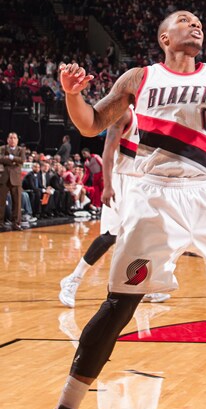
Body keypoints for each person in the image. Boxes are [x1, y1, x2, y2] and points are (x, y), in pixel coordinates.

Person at [29, 11, 206, 409]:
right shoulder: (141, 76)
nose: (196, 26)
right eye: (184, 21)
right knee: (118, 307)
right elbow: (93, 124)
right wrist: (74, 95)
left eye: (199, 23)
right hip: (155, 199)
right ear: (163, 36)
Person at [58, 109, 169, 307]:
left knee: (146, 236)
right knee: (110, 236)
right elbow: (108, 151)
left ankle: (144, 286)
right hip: (120, 180)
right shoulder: (125, 114)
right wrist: (108, 185)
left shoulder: (154, 116)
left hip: (141, 182)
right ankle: (73, 279)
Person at [0, 131, 28, 230]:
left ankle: (16, 223)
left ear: (17, 140)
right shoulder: (2, 148)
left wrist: (11, 157)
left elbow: (22, 160)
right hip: (4, 178)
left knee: (17, 202)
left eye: (14, 138)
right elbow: (1, 159)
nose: (12, 140)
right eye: (10, 138)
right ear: (7, 139)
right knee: (1, 202)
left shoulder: (21, 149)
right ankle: (0, 222)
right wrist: (15, 162)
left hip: (16, 179)